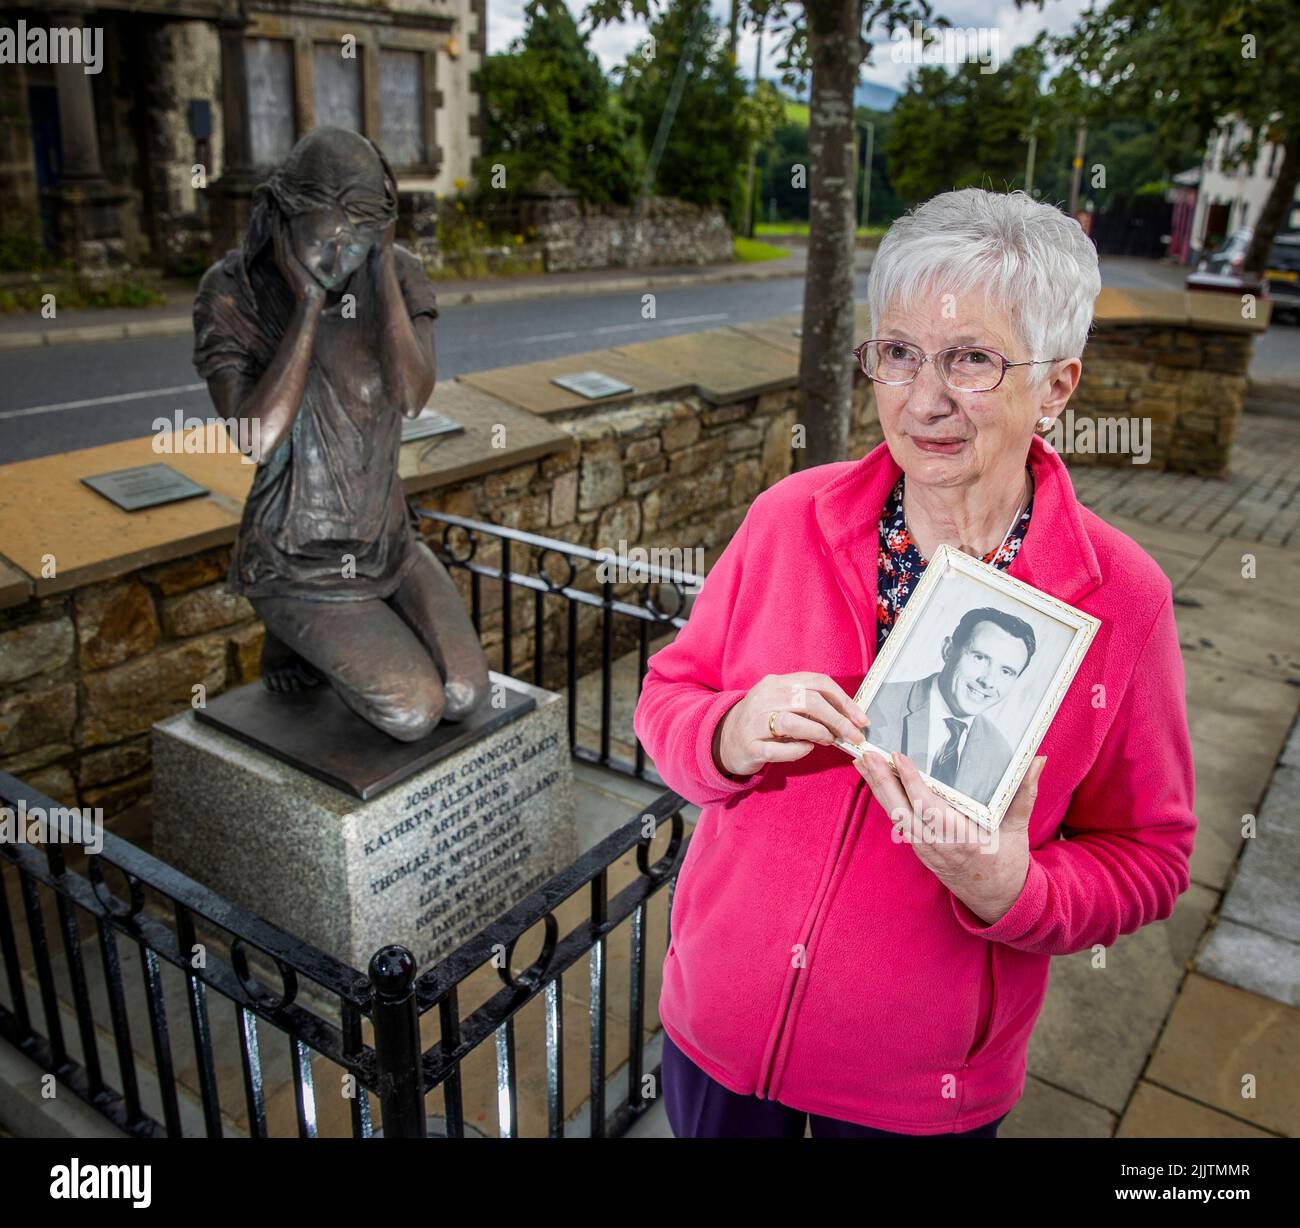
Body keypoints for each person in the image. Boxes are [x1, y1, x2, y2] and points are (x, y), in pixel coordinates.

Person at [632, 187, 1197, 1138]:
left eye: (972, 359)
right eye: (899, 353)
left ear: (1058, 385)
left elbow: (1152, 856)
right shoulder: (788, 519)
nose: (926, 400)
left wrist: (1019, 893)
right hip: (717, 1035)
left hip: (918, 1094)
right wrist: (725, 734)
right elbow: (667, 698)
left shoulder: (1121, 600)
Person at [192, 126, 488, 741]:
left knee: (464, 693)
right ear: (280, 214)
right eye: (327, 238)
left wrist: (381, 271)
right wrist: (305, 305)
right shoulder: (232, 291)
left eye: (360, 241)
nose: (339, 258)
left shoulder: (397, 273)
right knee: (413, 711)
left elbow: (411, 396)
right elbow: (255, 437)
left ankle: (309, 646)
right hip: (295, 559)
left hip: (388, 541)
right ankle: (292, 634)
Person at [867, 606, 1037, 805]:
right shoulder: (878, 703)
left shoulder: (1000, 755)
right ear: (948, 650)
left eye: (1006, 671)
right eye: (980, 658)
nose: (989, 681)